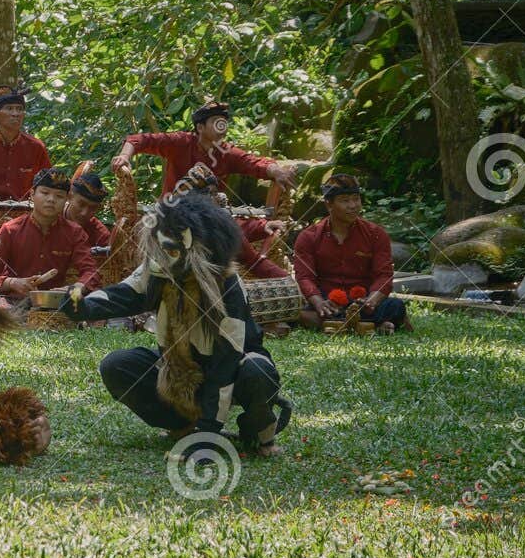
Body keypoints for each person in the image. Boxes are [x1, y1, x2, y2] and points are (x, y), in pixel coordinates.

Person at [62, 194, 292, 457]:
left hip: (232, 370)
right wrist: (82, 306)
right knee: (117, 365)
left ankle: (260, 435)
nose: (161, 259)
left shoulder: (227, 285)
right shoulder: (162, 269)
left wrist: (207, 438)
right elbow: (122, 294)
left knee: (257, 371)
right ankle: (182, 425)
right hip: (179, 368)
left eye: (170, 251)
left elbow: (225, 367)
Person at [294, 173, 408, 333]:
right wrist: (319, 302)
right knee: (303, 313)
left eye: (356, 199)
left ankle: (340, 325)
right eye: (345, 200)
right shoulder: (308, 237)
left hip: (363, 301)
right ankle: (370, 326)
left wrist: (372, 301)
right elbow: (304, 277)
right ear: (329, 204)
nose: (353, 205)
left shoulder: (375, 234)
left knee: (396, 306)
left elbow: (384, 275)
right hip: (329, 301)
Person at [110, 100, 298, 196]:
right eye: (217, 123)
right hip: (172, 212)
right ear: (200, 127)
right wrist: (124, 157)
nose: (222, 128)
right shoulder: (180, 142)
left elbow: (254, 163)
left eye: (224, 123)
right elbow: (139, 139)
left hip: (209, 217)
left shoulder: (227, 152)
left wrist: (276, 171)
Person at [0, 167, 99, 310]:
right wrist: (11, 282)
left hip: (55, 303)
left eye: (59, 196)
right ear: (32, 195)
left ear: (67, 199)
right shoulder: (10, 229)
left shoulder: (74, 232)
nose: (51, 200)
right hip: (14, 301)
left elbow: (92, 272)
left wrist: (75, 288)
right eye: (45, 193)